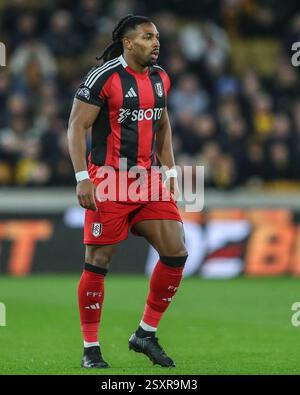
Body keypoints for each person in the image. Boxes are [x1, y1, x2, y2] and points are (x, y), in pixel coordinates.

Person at [68, 14, 188, 369]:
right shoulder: (103, 77)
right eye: (148, 37)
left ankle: (145, 334)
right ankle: (91, 348)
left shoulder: (161, 77)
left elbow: (163, 125)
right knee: (98, 262)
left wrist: (170, 172)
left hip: (149, 181)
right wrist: (81, 177)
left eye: (157, 37)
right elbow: (76, 127)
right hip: (109, 181)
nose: (156, 42)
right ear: (128, 42)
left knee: (176, 252)